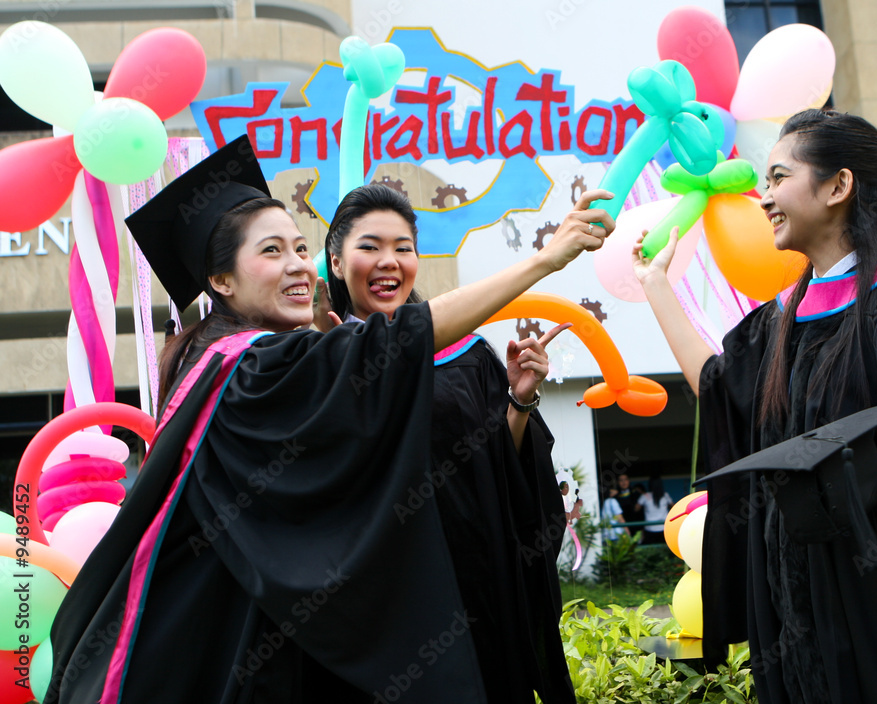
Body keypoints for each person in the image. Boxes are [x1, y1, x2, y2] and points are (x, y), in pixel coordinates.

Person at [43, 135, 614, 704]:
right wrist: (544, 259)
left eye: (298, 248)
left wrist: (514, 405)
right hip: (232, 646)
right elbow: (398, 342)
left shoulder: (221, 360)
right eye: (271, 252)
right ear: (221, 281)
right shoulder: (252, 367)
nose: (297, 266)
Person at [632, 109, 877, 702]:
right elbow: (719, 389)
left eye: (778, 178)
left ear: (838, 186)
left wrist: (838, 486)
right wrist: (656, 285)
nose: (763, 198)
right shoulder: (782, 319)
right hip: (792, 595)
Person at [317, 183, 607, 703]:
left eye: (403, 247)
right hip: (380, 596)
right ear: (336, 262)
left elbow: (500, 472)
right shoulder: (319, 357)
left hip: (470, 588)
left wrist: (518, 401)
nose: (389, 261)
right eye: (369, 246)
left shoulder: (466, 355)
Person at [635, 476, 672, 545]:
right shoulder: (665, 495)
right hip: (663, 527)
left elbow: (636, 509)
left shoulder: (645, 496)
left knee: (650, 549)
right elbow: (673, 507)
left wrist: (639, 493)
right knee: (664, 549)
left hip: (650, 528)